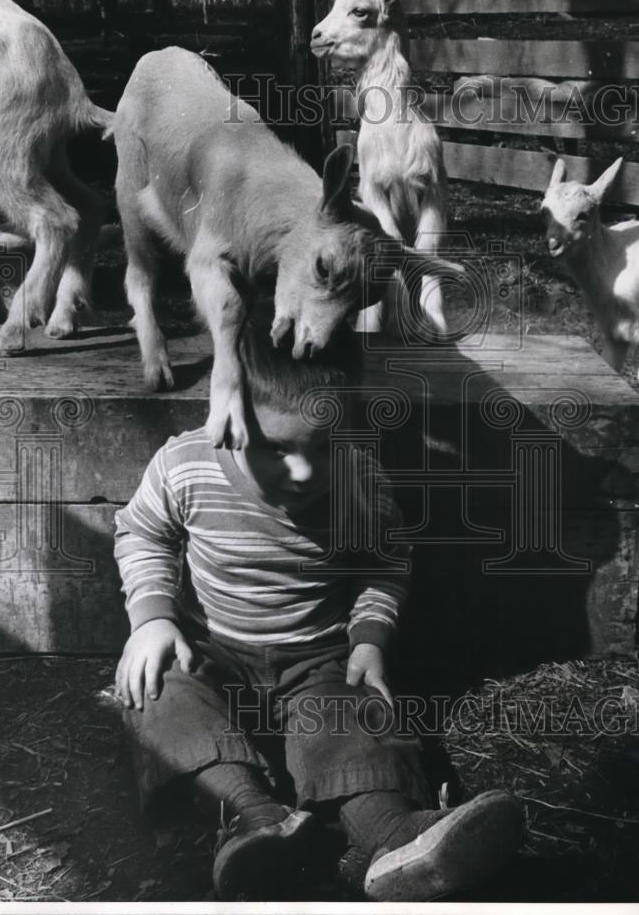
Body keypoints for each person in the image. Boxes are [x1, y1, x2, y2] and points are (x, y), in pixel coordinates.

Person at [114, 300, 523, 901]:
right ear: (228, 415)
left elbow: (384, 563)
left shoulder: (359, 481)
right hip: (212, 653)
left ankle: (397, 840)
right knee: (154, 692)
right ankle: (254, 823)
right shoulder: (184, 465)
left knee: (356, 716)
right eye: (277, 448)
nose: (304, 471)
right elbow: (144, 532)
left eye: (325, 445)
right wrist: (151, 619)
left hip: (317, 660)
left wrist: (369, 640)